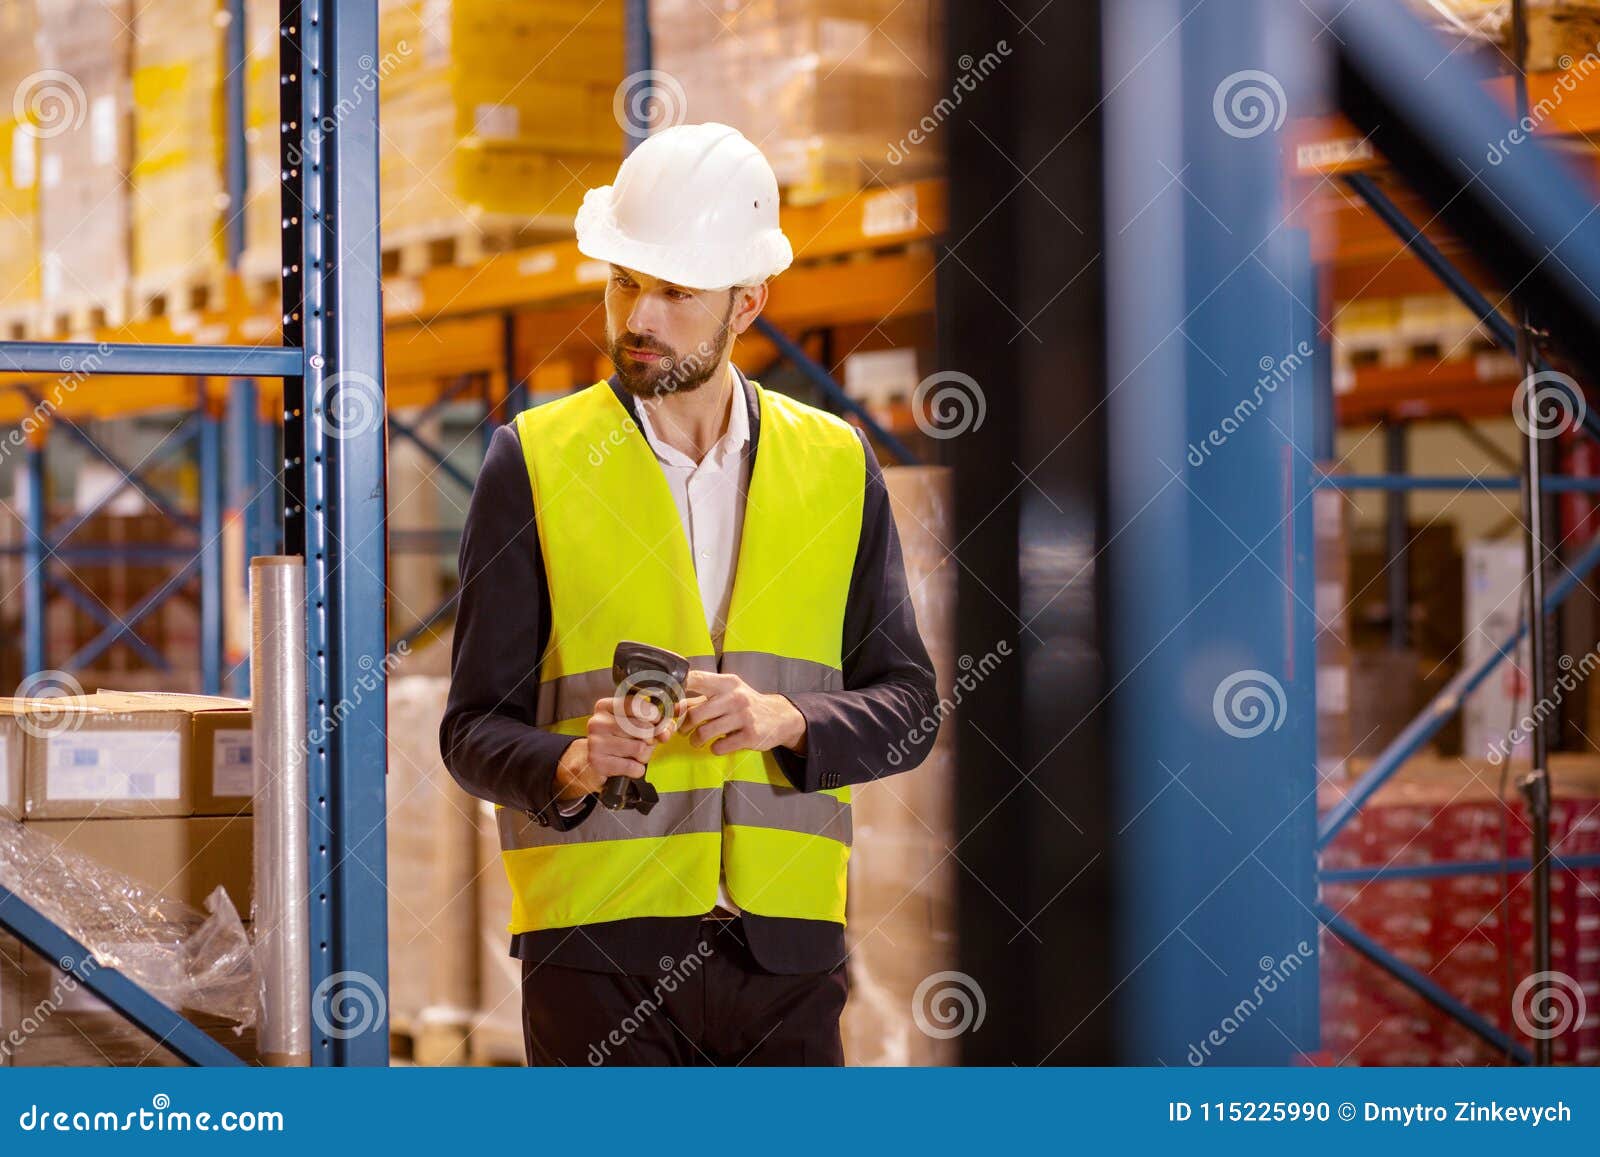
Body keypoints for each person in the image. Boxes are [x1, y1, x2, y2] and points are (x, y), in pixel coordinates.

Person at [440, 122, 940, 1066]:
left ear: (748, 302)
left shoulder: (836, 464)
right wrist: (574, 766)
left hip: (785, 956)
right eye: (625, 280)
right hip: (599, 954)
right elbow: (470, 730)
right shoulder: (534, 461)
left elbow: (911, 709)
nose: (640, 316)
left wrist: (787, 720)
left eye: (675, 292)